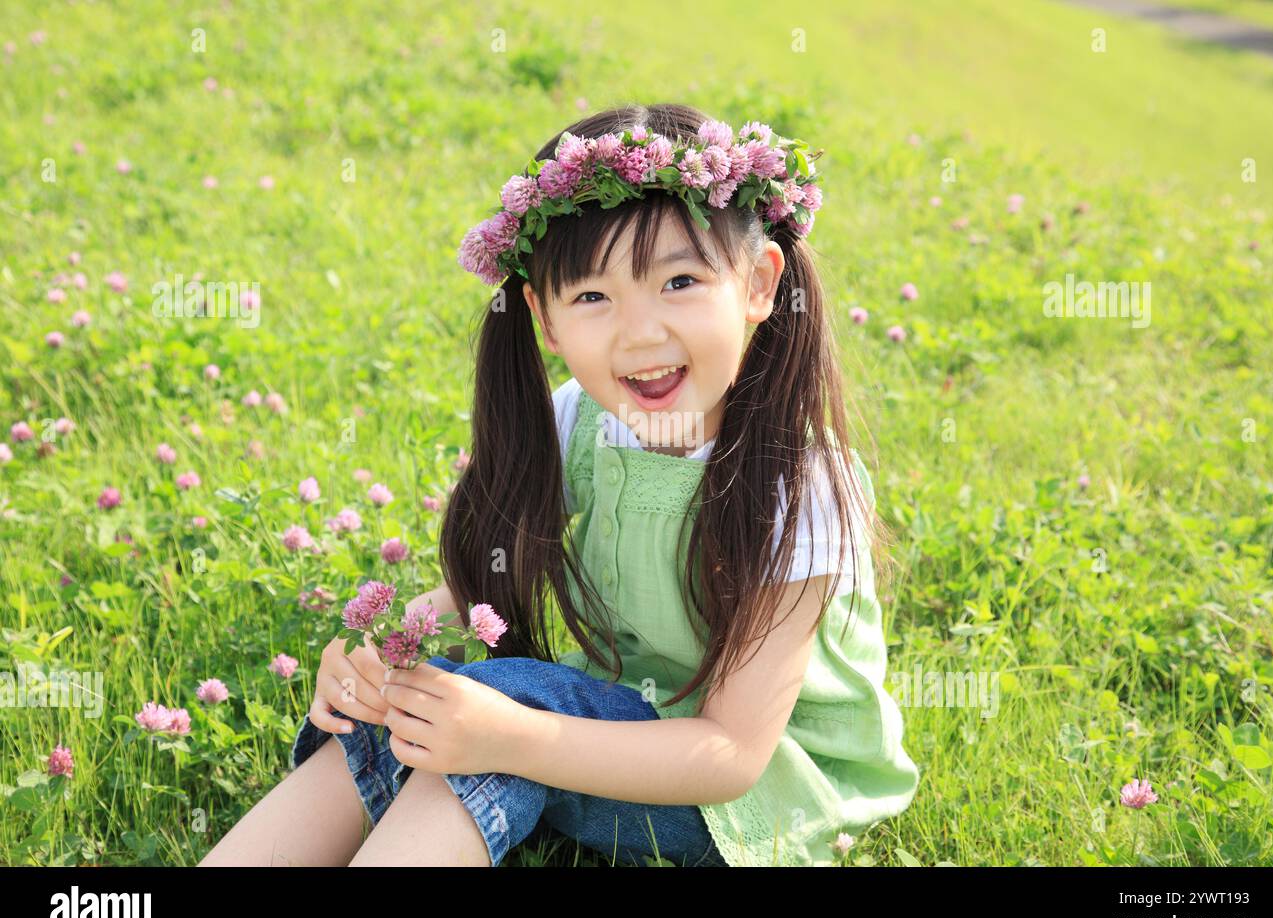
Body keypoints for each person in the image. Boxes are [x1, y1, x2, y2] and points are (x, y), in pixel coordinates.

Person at [201, 101, 918, 868]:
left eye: (679, 280)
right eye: (592, 297)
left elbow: (732, 754)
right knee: (433, 703)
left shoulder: (799, 486)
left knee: (501, 715)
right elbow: (479, 588)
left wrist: (517, 733)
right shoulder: (580, 421)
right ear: (545, 320)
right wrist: (387, 655)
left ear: (759, 282)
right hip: (621, 726)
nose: (641, 333)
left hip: (763, 797)